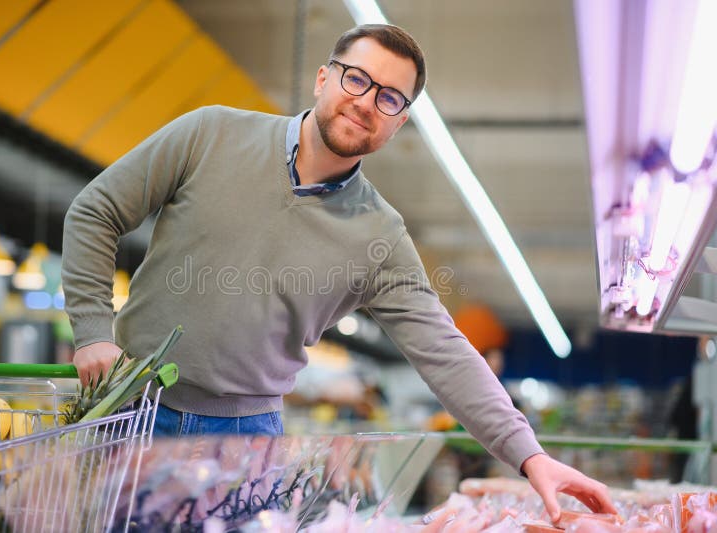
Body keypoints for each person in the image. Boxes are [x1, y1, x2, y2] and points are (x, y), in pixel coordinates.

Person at [62, 24, 616, 522]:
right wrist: (91, 332)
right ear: (323, 78)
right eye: (357, 79)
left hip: (246, 444)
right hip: (130, 413)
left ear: (399, 122)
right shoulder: (210, 134)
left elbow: (444, 351)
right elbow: (95, 212)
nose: (367, 102)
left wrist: (530, 455)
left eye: (390, 97)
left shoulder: (380, 237)